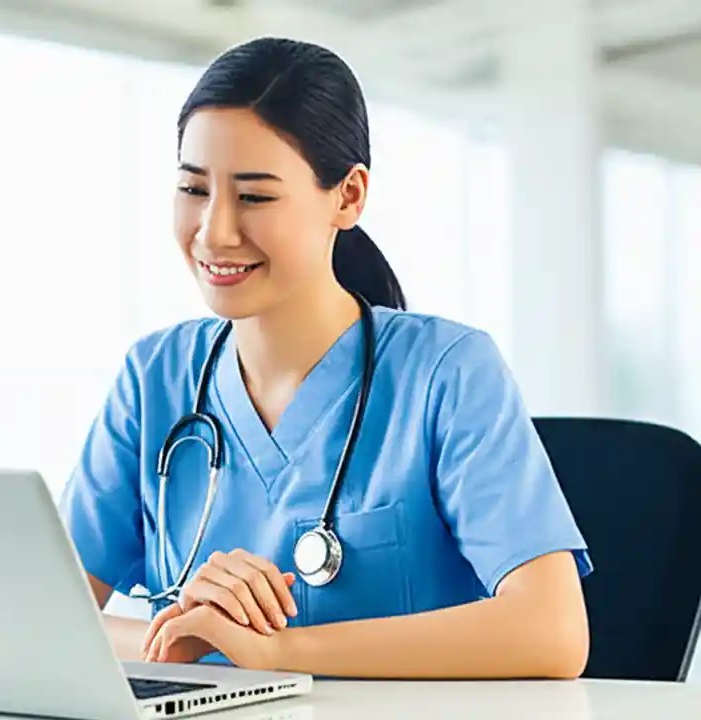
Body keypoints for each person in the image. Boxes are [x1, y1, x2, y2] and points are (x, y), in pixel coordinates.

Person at [58, 37, 592, 679]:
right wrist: (180, 635)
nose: (215, 231)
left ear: (348, 196)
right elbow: (41, 616)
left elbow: (553, 632)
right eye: (194, 188)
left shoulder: (446, 371)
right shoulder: (155, 378)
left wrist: (275, 652)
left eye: (255, 197)